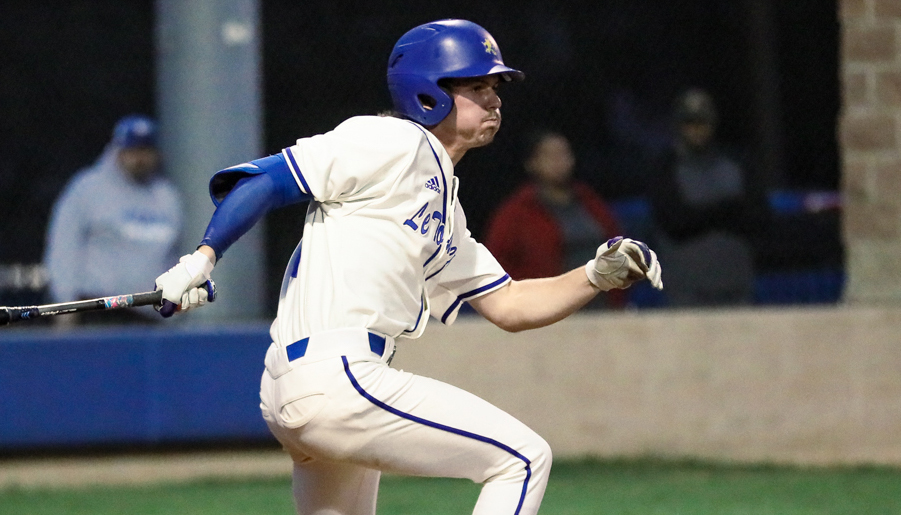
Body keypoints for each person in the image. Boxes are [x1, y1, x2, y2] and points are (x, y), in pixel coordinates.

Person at [153, 20, 662, 515]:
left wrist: (595, 276)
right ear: (427, 93)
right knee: (523, 460)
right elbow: (262, 180)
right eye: (475, 85)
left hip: (307, 387)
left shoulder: (442, 205)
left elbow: (509, 305)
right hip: (339, 377)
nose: (494, 98)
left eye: (495, 86)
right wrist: (201, 258)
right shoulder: (392, 141)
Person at [44, 115, 181, 325]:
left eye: (145, 151)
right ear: (117, 151)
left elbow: (174, 257)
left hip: (147, 316)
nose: (139, 158)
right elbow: (64, 248)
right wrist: (64, 302)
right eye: (132, 151)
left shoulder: (166, 197)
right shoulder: (88, 189)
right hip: (97, 310)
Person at [647, 88, 768, 307]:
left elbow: (759, 216)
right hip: (686, 292)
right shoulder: (665, 168)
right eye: (690, 123)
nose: (697, 130)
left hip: (736, 287)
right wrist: (728, 209)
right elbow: (675, 221)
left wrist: (703, 214)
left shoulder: (736, 163)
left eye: (702, 123)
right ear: (679, 126)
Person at [485, 130, 626, 310]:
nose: (559, 161)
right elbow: (497, 264)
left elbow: (618, 245)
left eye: (564, 154)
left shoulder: (590, 202)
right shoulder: (517, 212)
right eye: (549, 156)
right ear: (532, 163)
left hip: (602, 306)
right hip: (547, 311)